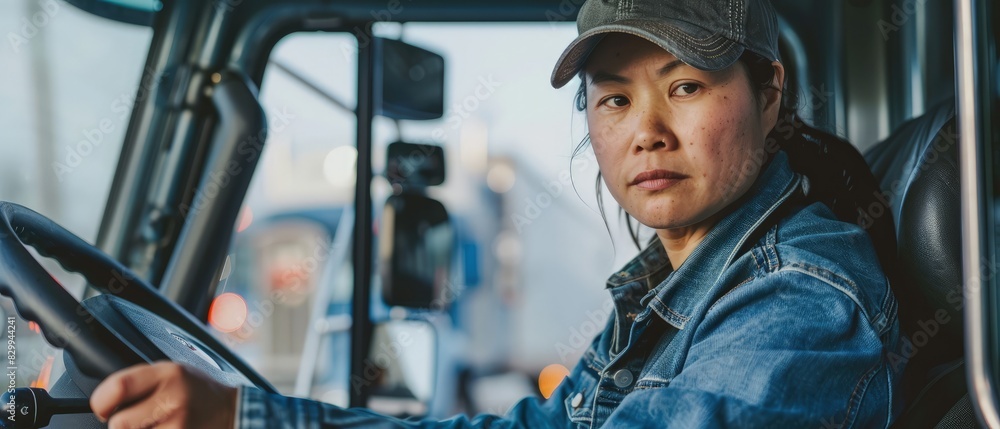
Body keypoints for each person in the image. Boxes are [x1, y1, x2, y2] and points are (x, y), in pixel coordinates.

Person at [89, 0, 904, 427]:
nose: (646, 132)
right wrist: (247, 417)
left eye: (684, 86)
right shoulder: (675, 289)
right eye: (614, 97)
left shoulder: (799, 301)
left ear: (768, 91)